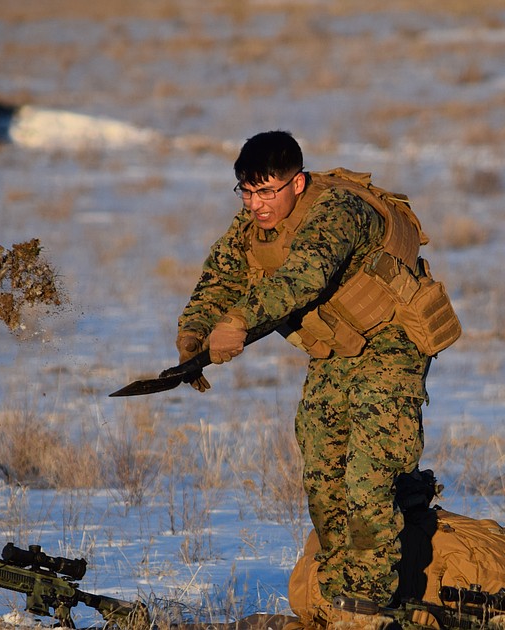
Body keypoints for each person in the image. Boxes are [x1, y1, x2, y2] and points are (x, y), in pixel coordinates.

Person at [175, 131, 455, 620]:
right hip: (337, 350)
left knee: (369, 473)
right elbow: (221, 276)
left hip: (392, 340)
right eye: (246, 191)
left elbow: (306, 275)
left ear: (297, 183)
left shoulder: (339, 210)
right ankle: (338, 587)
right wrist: (193, 335)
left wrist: (240, 322)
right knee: (323, 468)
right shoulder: (254, 225)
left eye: (267, 192)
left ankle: (368, 600)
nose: (255, 203)